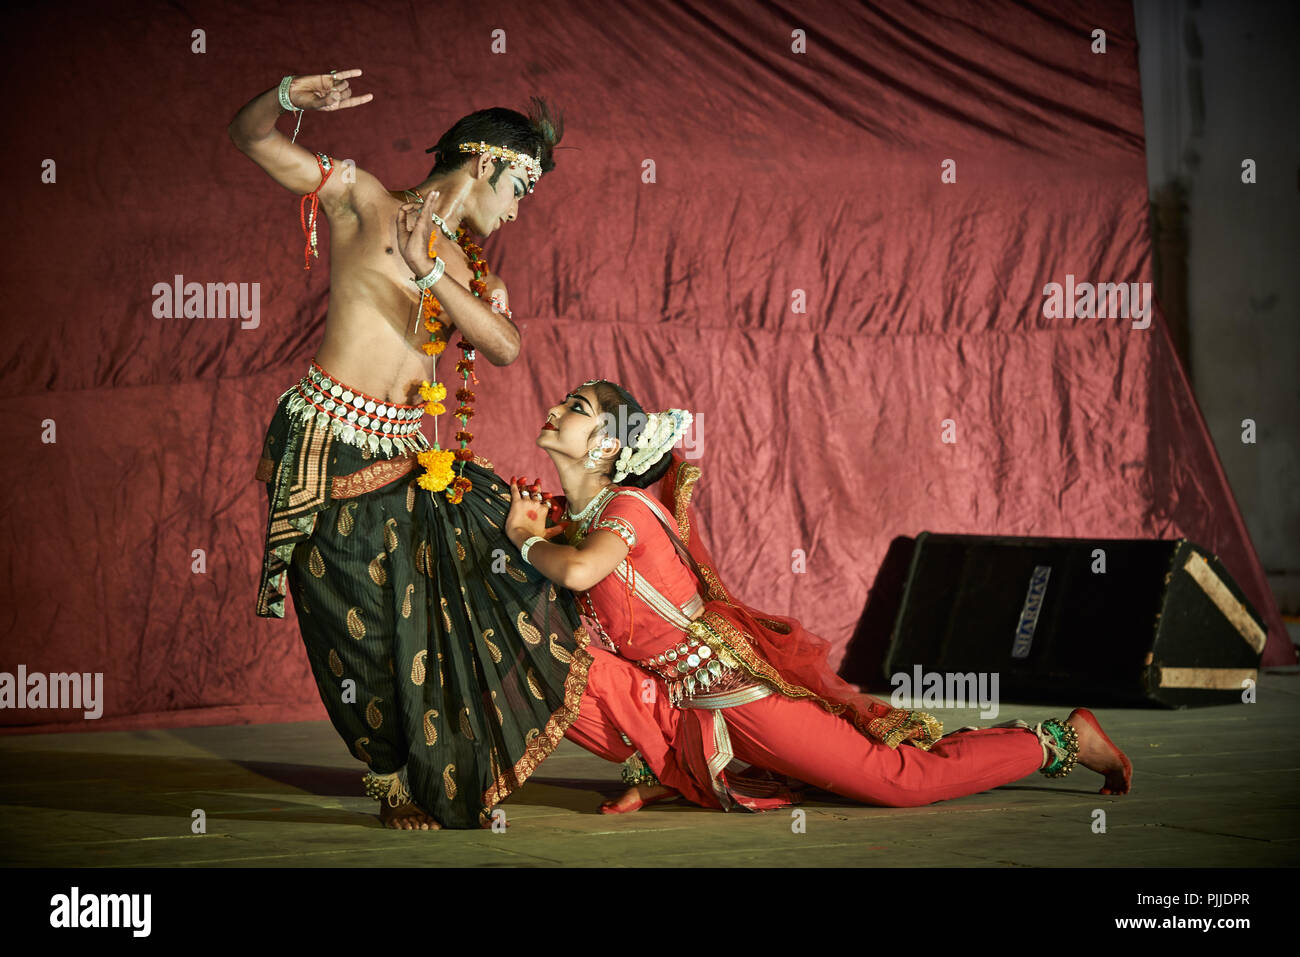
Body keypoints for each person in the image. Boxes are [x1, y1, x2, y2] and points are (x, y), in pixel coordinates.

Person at [231, 71, 595, 829]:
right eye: (519, 188)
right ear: (487, 162)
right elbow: (251, 136)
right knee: (351, 620)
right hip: (330, 442)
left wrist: (436, 273)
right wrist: (290, 97)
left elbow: (503, 347)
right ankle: (391, 775)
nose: (517, 210)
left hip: (409, 454)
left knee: (452, 594)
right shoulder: (360, 197)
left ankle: (451, 752)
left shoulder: (466, 264)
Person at [503, 379, 1134, 814]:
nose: (560, 407)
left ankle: (1060, 739)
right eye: (566, 399)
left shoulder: (628, 511)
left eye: (578, 405)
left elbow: (581, 574)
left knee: (896, 783)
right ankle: (673, 773)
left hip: (739, 695)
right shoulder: (581, 518)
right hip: (686, 705)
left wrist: (526, 541)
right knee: (559, 654)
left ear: (609, 445)